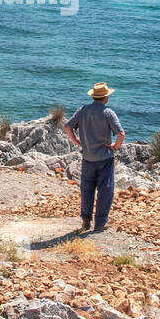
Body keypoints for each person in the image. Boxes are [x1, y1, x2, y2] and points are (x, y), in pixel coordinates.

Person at [63, 82, 125, 232]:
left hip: (88, 157)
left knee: (87, 188)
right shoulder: (108, 113)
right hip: (105, 158)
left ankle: (86, 220)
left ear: (94, 96)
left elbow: (67, 126)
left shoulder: (83, 110)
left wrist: (77, 142)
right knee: (106, 189)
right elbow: (121, 134)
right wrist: (115, 147)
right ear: (106, 97)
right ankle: (100, 223)